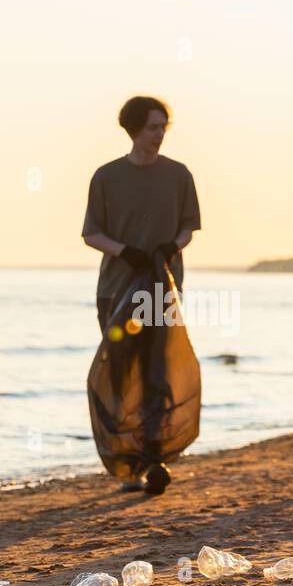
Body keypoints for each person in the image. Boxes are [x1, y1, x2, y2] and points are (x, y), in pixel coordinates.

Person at [81, 95, 201, 493]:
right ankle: (127, 465)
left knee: (157, 374)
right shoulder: (106, 177)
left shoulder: (179, 174)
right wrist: (124, 251)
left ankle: (154, 460)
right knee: (119, 374)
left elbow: (189, 226)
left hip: (161, 292)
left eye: (164, 126)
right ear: (135, 129)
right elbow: (92, 233)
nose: (159, 134)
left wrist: (172, 246)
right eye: (153, 127)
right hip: (116, 291)